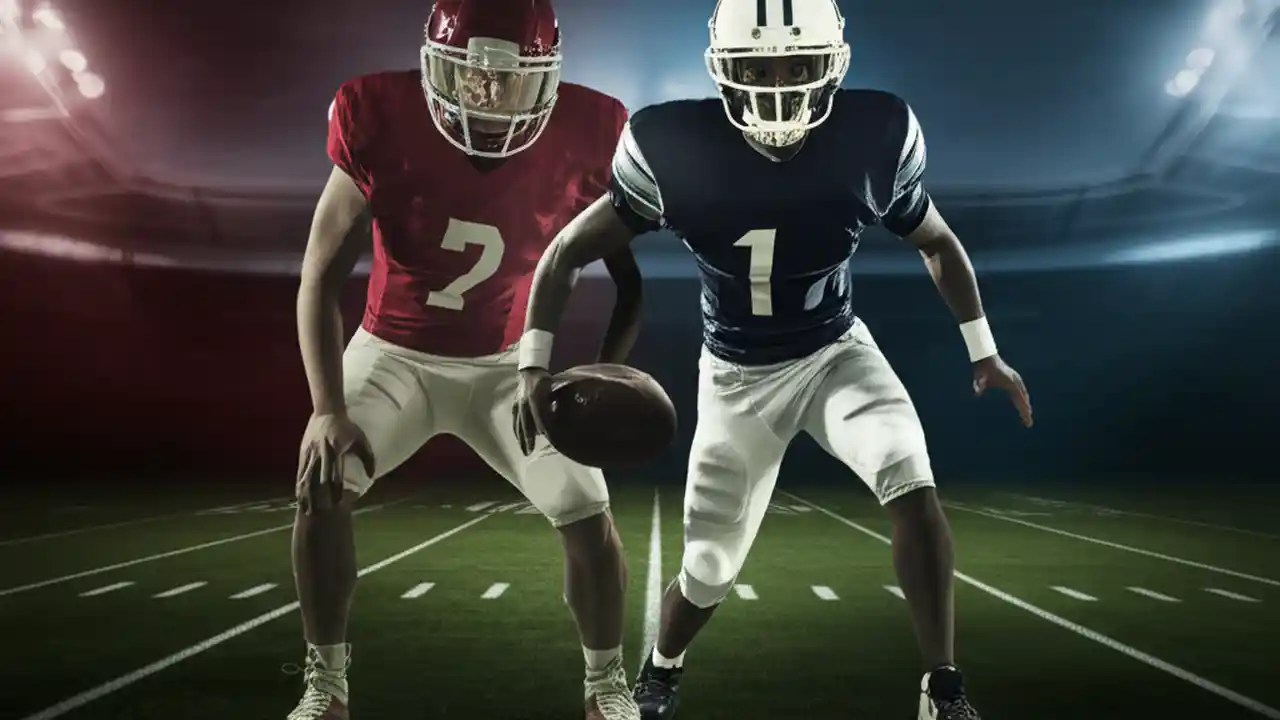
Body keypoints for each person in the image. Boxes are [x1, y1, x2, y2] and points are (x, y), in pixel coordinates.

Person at [512, 1, 1033, 718]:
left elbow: (938, 243)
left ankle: (943, 689)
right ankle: (663, 667)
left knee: (910, 478)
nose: (778, 88)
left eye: (797, 68)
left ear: (833, 67)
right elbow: (567, 252)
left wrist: (986, 351)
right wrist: (532, 366)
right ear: (724, 71)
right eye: (758, 69)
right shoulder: (675, 146)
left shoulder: (873, 135)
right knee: (709, 568)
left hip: (834, 353)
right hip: (735, 376)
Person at [288, 1, 642, 718]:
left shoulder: (592, 129)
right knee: (322, 482)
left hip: (509, 367)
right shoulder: (377, 113)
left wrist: (598, 376)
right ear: (434, 65)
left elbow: (630, 285)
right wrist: (326, 410)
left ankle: (606, 687)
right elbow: (320, 275)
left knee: (587, 511)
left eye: (507, 80)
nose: (486, 95)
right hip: (394, 355)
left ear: (547, 77)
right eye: (471, 76)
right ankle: (326, 684)